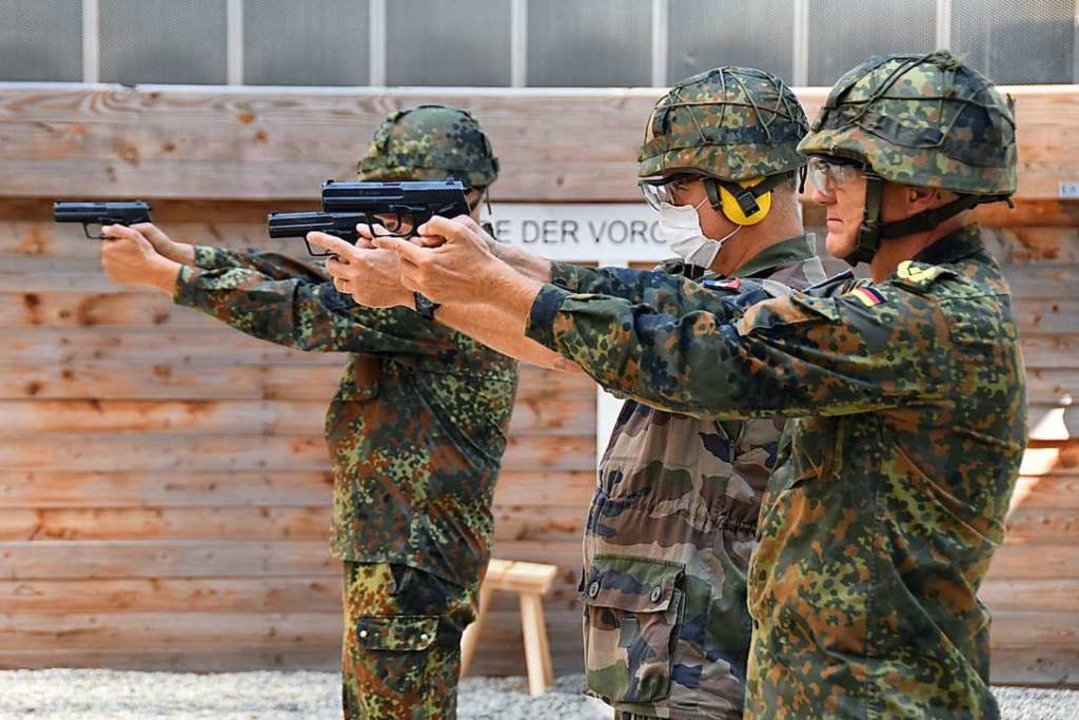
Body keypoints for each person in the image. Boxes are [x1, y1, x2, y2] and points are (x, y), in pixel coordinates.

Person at [333, 50, 1026, 719]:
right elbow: (682, 307)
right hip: (799, 678)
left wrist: (488, 286)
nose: (818, 191)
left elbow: (702, 351)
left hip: (845, 686)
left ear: (922, 187)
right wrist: (500, 270)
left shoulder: (921, 317)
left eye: (843, 171)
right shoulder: (897, 304)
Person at [315, 67, 825, 719]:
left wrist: (437, 289)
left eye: (678, 186)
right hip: (661, 646)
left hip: (724, 649)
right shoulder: (688, 285)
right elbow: (566, 332)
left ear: (745, 188)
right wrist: (444, 278)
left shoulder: (796, 304)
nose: (665, 202)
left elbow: (594, 330)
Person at [97, 105, 519, 720]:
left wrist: (164, 275)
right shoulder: (445, 277)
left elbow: (304, 312)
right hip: (402, 546)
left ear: (462, 198)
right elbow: (303, 282)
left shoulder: (445, 288)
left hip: (413, 551)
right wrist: (181, 253)